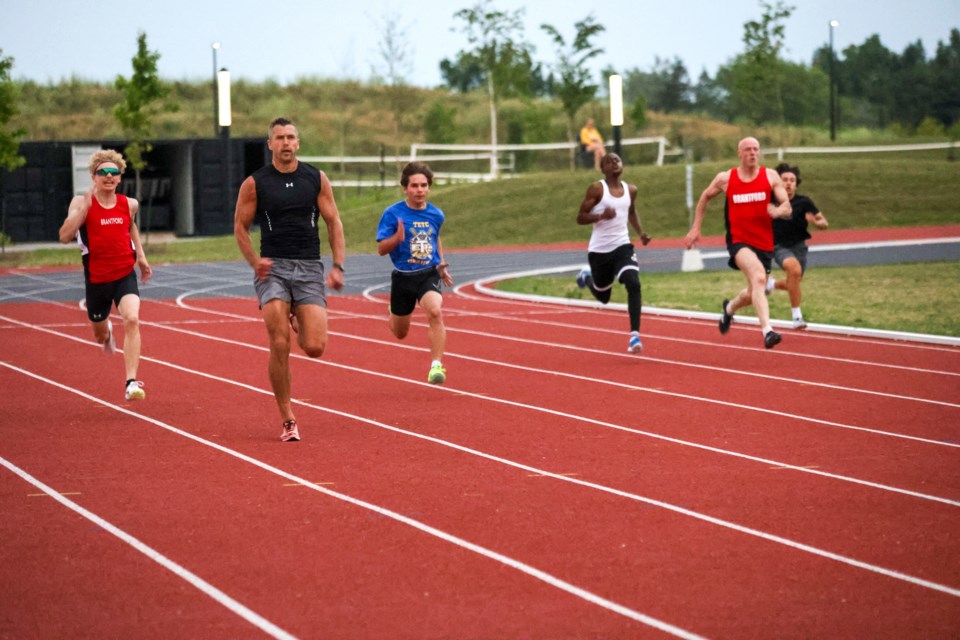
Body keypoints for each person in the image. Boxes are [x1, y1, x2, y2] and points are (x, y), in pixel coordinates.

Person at [234, 117, 346, 442]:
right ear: (270, 144)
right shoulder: (255, 183)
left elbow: (334, 221)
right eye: (279, 138)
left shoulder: (316, 178)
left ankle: (297, 311)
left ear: (298, 143)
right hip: (274, 269)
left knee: (314, 347)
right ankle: (287, 417)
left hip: (309, 267)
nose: (285, 143)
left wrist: (338, 265)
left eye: (290, 137)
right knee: (279, 341)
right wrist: (254, 262)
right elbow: (240, 226)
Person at [58, 149, 152, 400]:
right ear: (93, 176)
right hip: (97, 279)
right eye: (103, 172)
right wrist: (83, 211)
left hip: (124, 274)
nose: (109, 177)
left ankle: (131, 382)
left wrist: (141, 257)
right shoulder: (80, 202)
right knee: (99, 334)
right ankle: (107, 333)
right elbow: (65, 235)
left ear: (120, 177)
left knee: (132, 319)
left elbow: (130, 226)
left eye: (114, 173)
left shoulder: (129, 204)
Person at [683, 136, 792, 349]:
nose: (752, 153)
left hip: (764, 242)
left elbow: (787, 205)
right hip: (739, 241)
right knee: (760, 278)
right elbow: (705, 197)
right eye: (748, 149)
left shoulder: (770, 176)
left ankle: (729, 309)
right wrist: (696, 227)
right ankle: (768, 331)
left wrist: (778, 210)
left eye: (756, 149)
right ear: (739, 153)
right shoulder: (726, 178)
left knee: (754, 291)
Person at [376, 161, 454, 384]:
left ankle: (436, 366)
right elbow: (381, 249)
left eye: (423, 185)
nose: (419, 190)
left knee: (435, 312)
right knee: (400, 333)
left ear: (429, 187)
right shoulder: (392, 214)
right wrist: (396, 239)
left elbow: (435, 237)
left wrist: (440, 263)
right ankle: (393, 310)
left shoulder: (436, 214)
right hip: (402, 277)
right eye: (414, 186)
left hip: (427, 274)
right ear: (405, 188)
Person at [575, 152, 652, 353]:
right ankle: (587, 277)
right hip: (599, 251)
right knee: (604, 297)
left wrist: (640, 233)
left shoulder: (631, 190)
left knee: (633, 283)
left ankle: (634, 336)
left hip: (622, 246)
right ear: (603, 169)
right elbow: (580, 217)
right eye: (609, 161)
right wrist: (601, 215)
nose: (615, 163)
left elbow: (631, 211)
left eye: (617, 160)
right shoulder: (596, 189)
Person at [766, 163, 829, 329]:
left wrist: (816, 222)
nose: (788, 183)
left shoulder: (804, 202)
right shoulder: (770, 200)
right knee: (794, 271)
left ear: (796, 183)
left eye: (792, 180)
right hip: (777, 246)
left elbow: (824, 222)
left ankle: (770, 285)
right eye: (784, 179)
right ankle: (797, 317)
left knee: (794, 280)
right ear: (778, 182)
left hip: (798, 246)